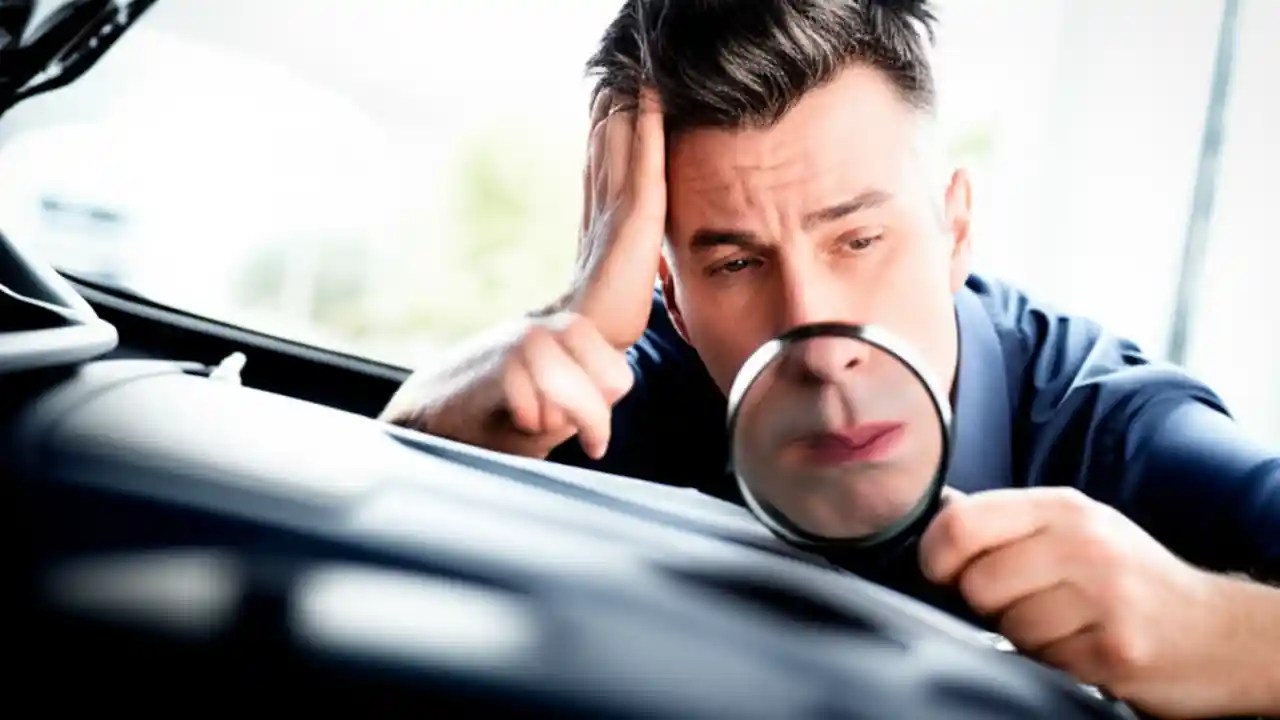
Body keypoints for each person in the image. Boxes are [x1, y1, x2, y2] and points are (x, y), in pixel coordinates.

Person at [380, 1, 1280, 716]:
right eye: (734, 264)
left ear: (954, 227)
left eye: (858, 239)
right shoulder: (634, 383)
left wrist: (1214, 633)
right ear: (676, 296)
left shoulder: (1113, 434)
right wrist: (571, 317)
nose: (812, 340)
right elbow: (388, 487)